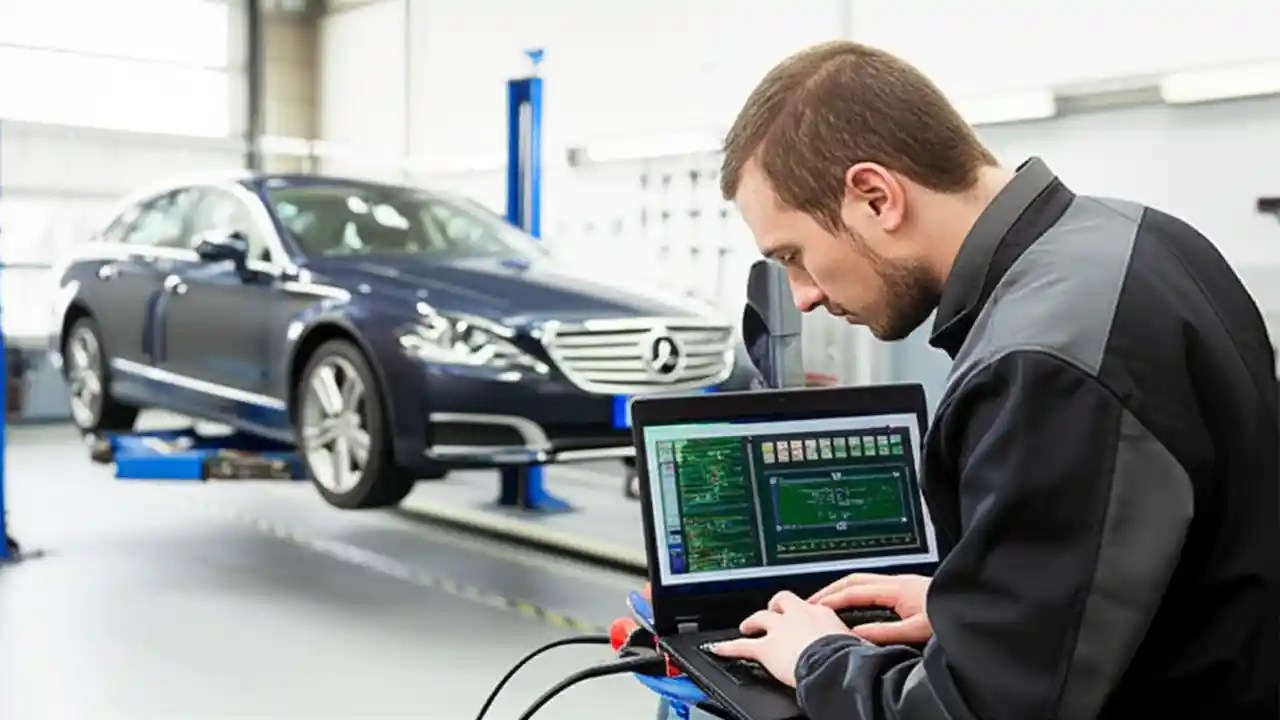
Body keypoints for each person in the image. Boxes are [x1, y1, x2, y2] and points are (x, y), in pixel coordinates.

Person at [700, 40, 1280, 719]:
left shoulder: (1038, 361)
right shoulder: (1146, 236)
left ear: (875, 196)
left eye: (793, 256)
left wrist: (819, 657)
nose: (800, 296)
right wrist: (968, 602)